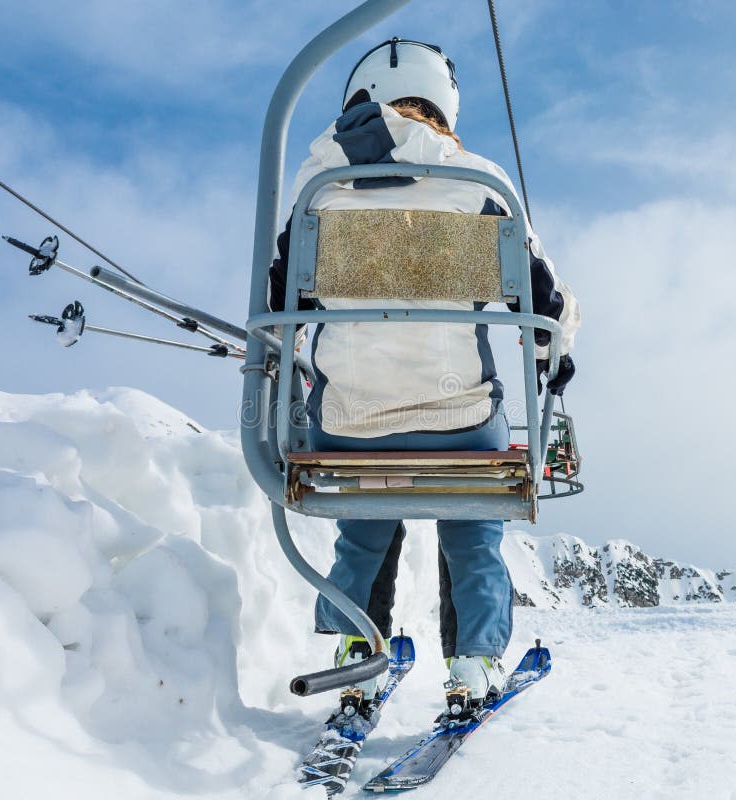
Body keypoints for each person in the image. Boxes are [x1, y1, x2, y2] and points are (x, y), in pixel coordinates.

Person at [269, 38, 580, 710]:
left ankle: (358, 648)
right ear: (443, 105)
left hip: (349, 423)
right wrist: (554, 358)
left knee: (366, 520)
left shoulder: (314, 188)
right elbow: (543, 304)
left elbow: (278, 299)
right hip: (461, 421)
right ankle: (472, 663)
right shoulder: (479, 183)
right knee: (474, 522)